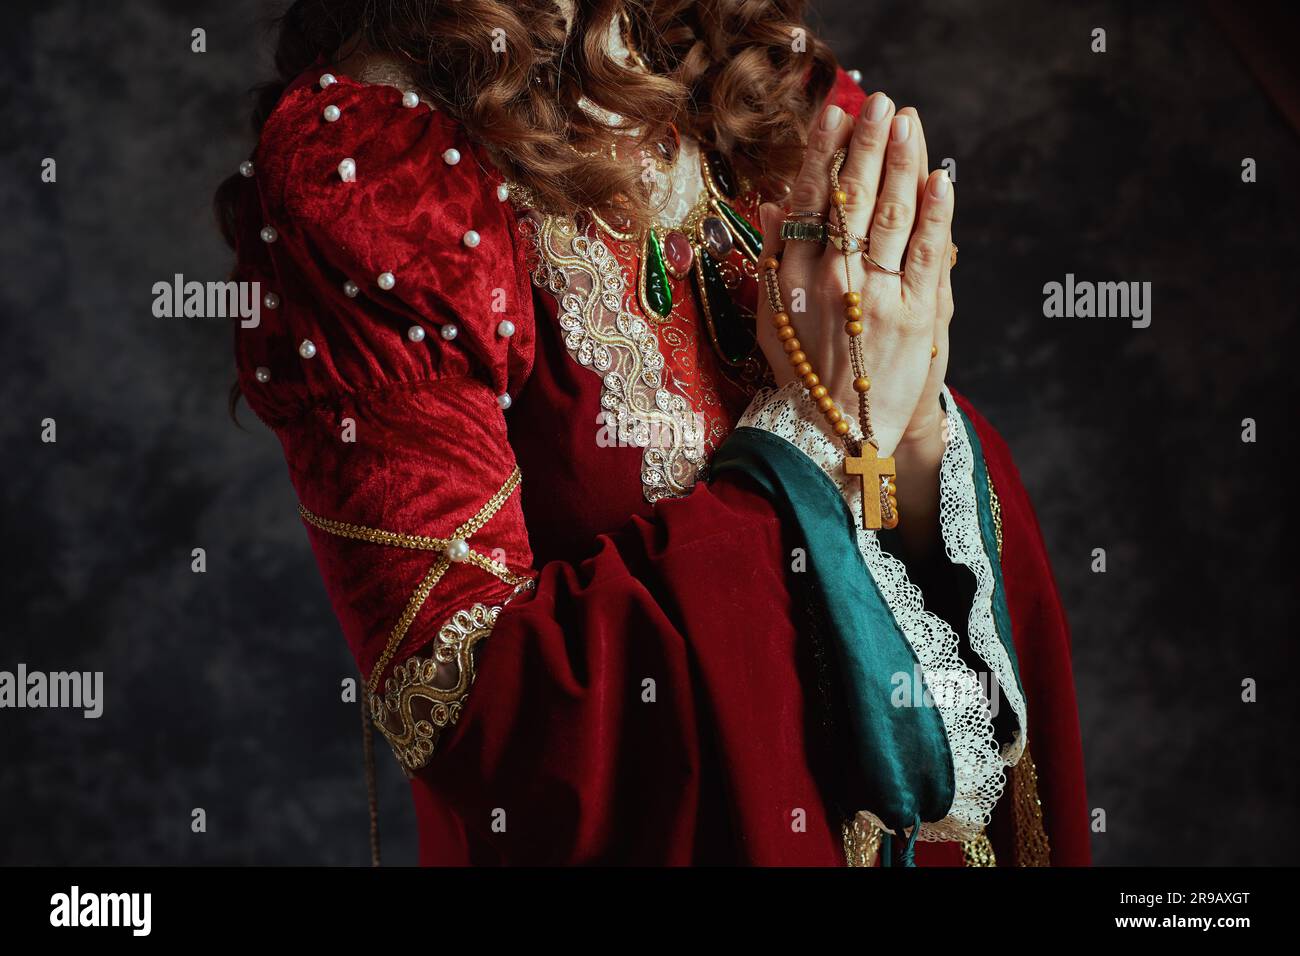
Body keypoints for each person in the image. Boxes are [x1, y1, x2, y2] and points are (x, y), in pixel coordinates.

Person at [216, 0, 1089, 866]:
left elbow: (894, 459)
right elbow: (464, 710)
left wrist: (909, 427)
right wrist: (813, 441)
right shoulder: (384, 173)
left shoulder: (760, 70)